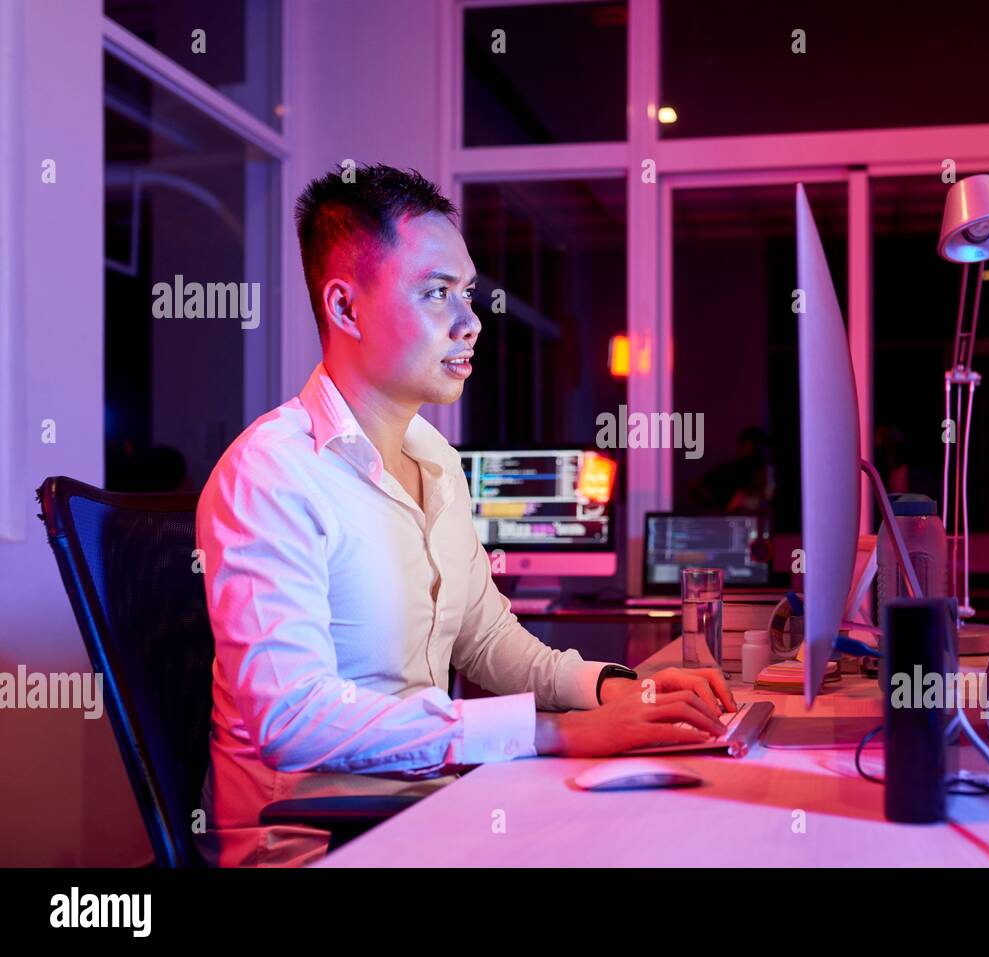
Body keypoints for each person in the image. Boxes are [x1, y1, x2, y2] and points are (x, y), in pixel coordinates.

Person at [196, 164, 734, 866]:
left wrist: (615, 688)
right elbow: (292, 718)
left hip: (429, 806)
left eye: (468, 293)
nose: (470, 322)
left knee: (668, 824)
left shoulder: (437, 462)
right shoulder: (271, 474)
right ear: (345, 307)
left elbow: (486, 640)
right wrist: (553, 733)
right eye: (436, 293)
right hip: (319, 844)